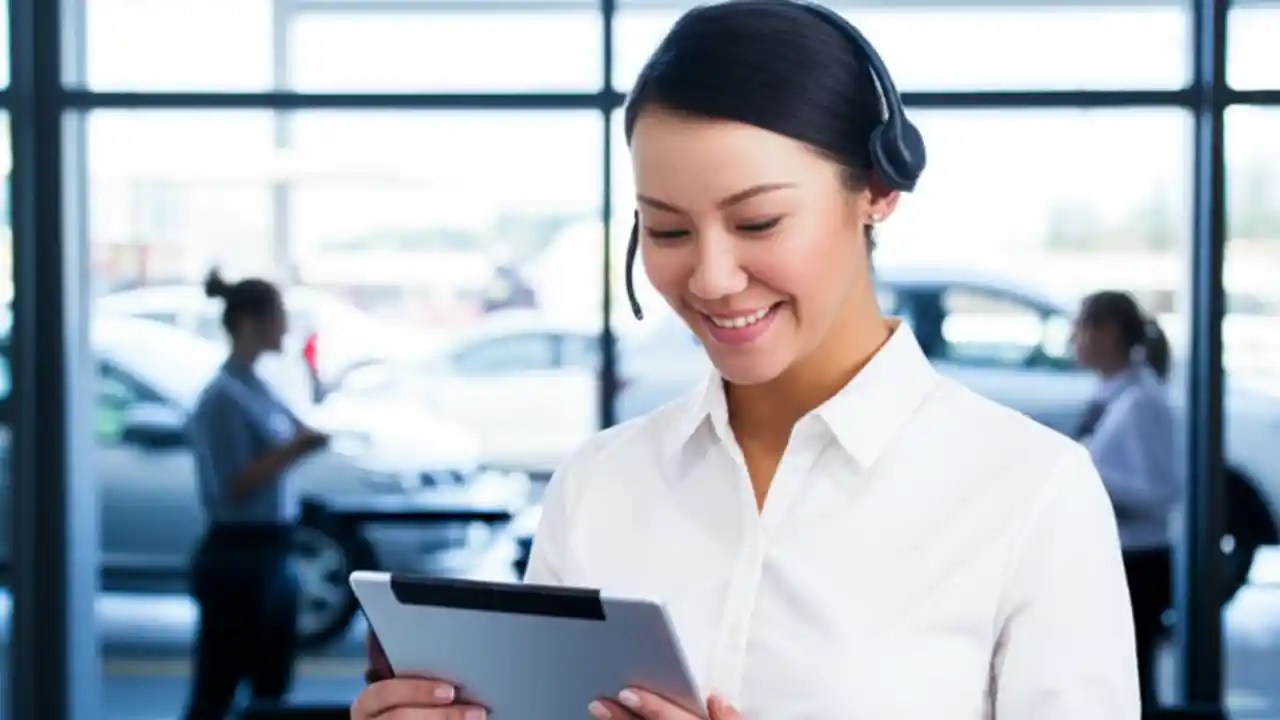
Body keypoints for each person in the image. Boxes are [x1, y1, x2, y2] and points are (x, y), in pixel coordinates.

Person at [352, 2, 1140, 718]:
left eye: (758, 222)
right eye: (666, 231)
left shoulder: (1031, 494)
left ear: (877, 189)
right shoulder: (598, 485)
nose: (712, 278)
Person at [184, 269, 330, 720]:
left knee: (270, 682)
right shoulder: (222, 398)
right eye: (279, 316)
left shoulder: (256, 386)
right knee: (219, 682)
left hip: (270, 550)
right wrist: (293, 450)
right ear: (251, 322)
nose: (285, 327)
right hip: (239, 556)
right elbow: (234, 485)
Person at [1072, 289, 1178, 711]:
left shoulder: (1140, 403)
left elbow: (1158, 492)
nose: (1072, 341)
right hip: (1121, 558)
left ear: (1109, 332)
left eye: (1079, 329)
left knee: (1131, 686)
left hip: (1139, 562)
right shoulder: (1113, 395)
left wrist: (1086, 476)